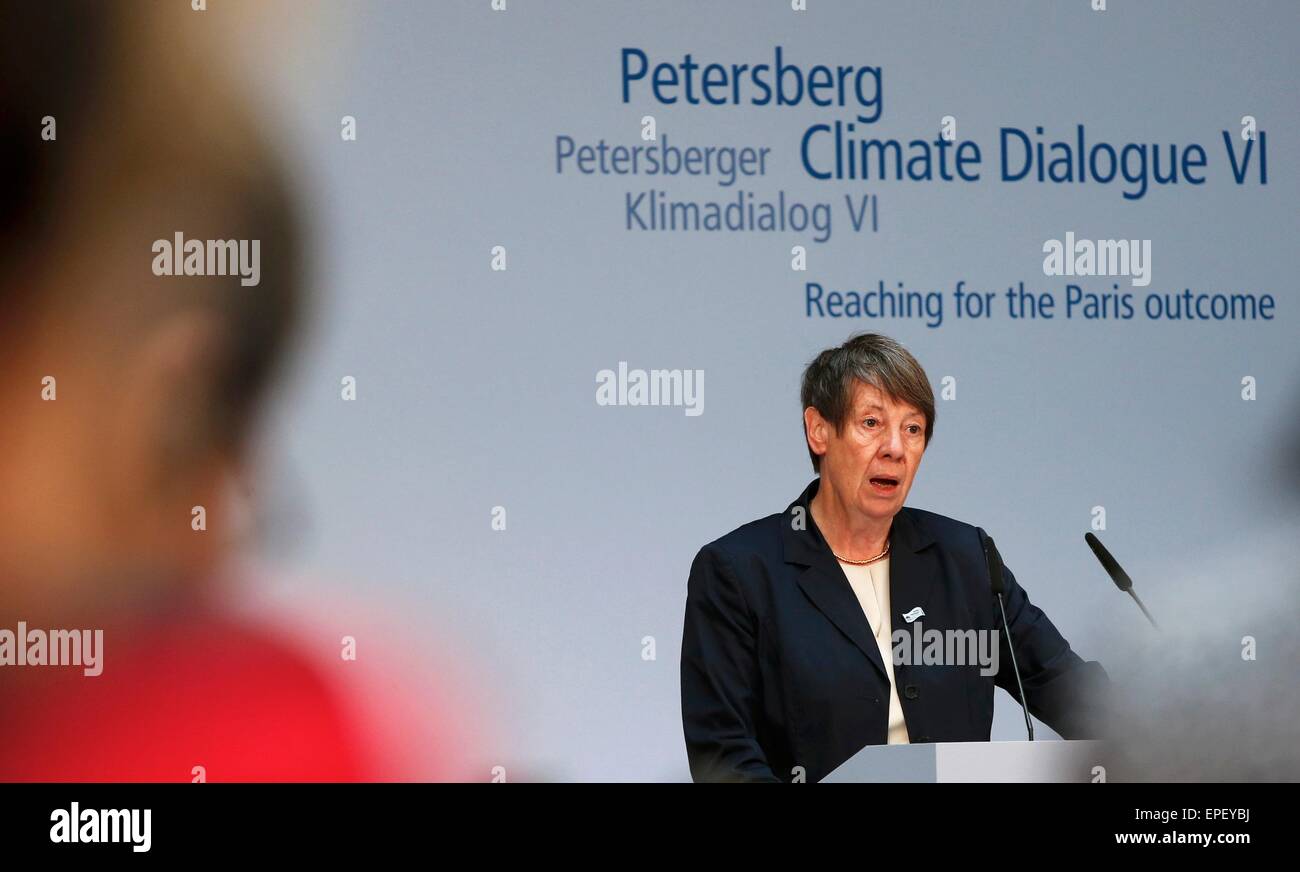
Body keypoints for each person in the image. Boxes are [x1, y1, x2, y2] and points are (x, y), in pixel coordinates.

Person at [680, 332, 1108, 783]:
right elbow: (724, 756)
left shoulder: (965, 559)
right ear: (819, 430)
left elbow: (1066, 687)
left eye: (913, 429)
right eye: (871, 423)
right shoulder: (739, 572)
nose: (896, 449)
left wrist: (1155, 736)